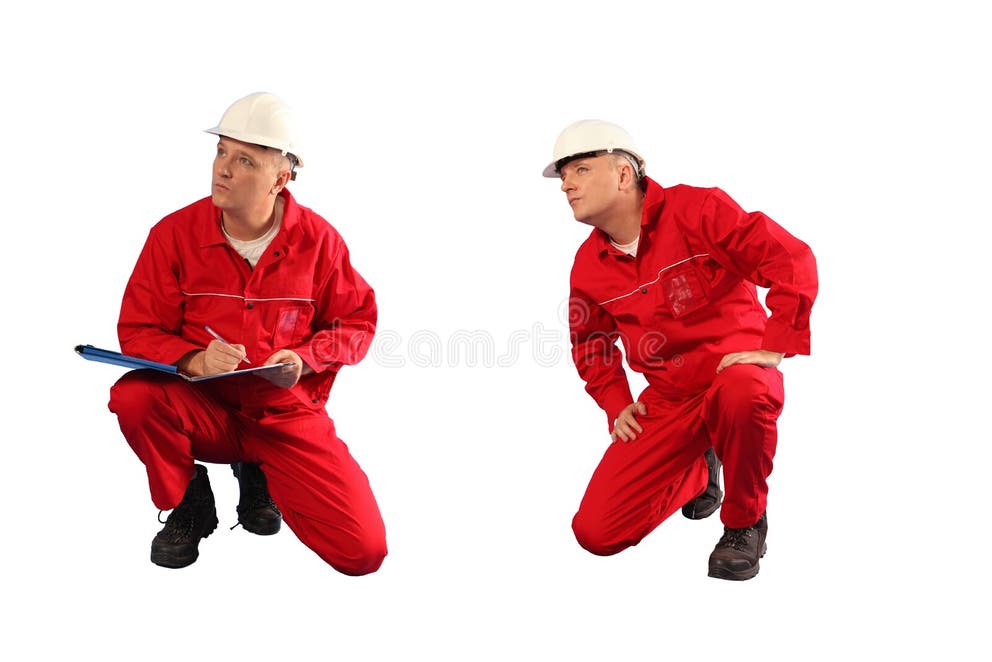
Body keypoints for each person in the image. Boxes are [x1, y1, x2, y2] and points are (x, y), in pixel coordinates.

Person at [108, 92, 386, 575]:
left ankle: (260, 474)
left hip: (284, 415)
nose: (223, 169)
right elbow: (139, 328)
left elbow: (356, 323)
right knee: (134, 396)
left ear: (280, 179)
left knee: (362, 552)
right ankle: (190, 501)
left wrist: (304, 358)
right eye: (221, 152)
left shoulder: (319, 242)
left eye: (244, 160)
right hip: (204, 408)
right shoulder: (173, 235)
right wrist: (193, 358)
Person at [546, 119, 817, 580]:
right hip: (671, 399)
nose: (566, 185)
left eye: (581, 170)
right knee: (596, 533)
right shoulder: (588, 266)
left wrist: (776, 345)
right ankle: (698, 469)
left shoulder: (698, 210)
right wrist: (617, 403)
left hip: (734, 378)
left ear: (624, 173)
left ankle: (745, 522)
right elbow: (589, 343)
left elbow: (789, 258)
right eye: (564, 176)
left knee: (743, 391)